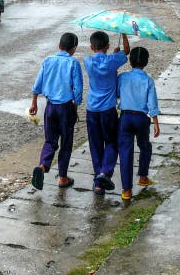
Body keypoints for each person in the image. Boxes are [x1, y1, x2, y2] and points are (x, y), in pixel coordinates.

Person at [29, 32, 83, 190]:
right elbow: (78, 89)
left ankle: (42, 166)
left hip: (50, 107)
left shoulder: (48, 60)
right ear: (74, 49)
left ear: (59, 46)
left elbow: (37, 84)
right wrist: (76, 106)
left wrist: (34, 103)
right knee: (66, 143)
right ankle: (63, 178)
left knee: (50, 140)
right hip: (66, 107)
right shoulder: (73, 63)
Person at [84, 31, 130, 195]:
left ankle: (98, 183)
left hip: (92, 109)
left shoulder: (87, 61)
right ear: (108, 46)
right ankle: (105, 173)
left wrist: (113, 55)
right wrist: (124, 36)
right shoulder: (113, 61)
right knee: (111, 142)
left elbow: (103, 62)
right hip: (108, 110)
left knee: (95, 145)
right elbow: (127, 51)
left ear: (91, 47)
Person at [117, 47, 160, 201]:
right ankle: (143, 176)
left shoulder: (122, 78)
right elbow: (152, 104)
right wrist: (156, 123)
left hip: (126, 117)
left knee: (125, 152)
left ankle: (126, 190)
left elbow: (116, 94)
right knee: (145, 146)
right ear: (146, 62)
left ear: (130, 61)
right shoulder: (148, 80)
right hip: (142, 118)